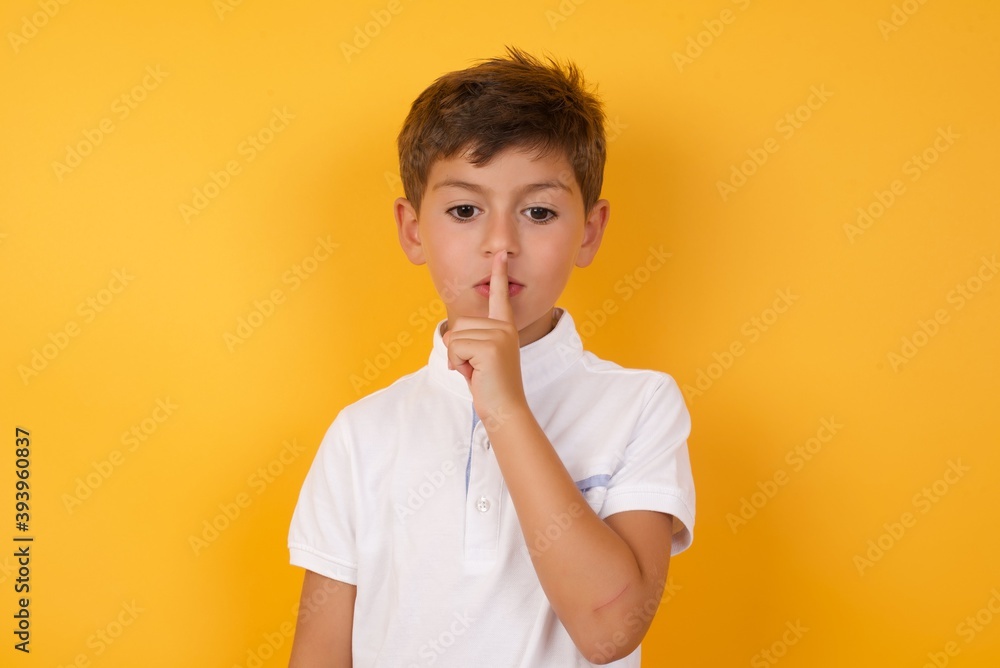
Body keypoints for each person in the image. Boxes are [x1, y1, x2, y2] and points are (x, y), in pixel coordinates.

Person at [287, 46, 695, 667]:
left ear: (589, 230)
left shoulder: (640, 405)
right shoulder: (362, 434)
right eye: (464, 210)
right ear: (412, 230)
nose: (500, 244)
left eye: (538, 211)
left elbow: (610, 630)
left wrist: (504, 406)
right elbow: (320, 656)